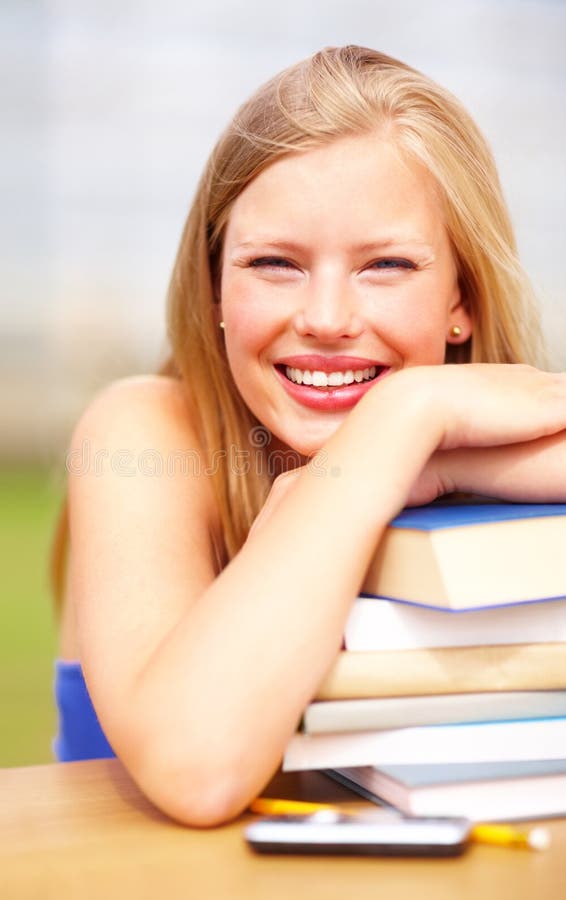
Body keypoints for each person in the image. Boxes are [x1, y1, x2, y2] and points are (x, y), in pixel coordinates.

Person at [53, 46, 566, 827]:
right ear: (215, 284)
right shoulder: (145, 434)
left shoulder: (485, 417)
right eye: (275, 264)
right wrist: (398, 426)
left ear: (461, 296)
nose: (326, 319)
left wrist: (422, 440)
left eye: (386, 264)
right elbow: (198, 770)